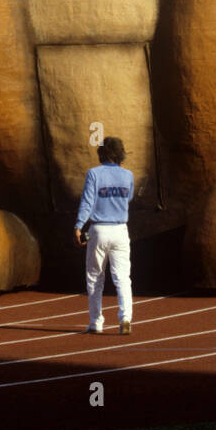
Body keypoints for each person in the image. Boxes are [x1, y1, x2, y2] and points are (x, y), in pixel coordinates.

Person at [74, 136, 134, 335]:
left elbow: (87, 201)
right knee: (123, 278)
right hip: (120, 229)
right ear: (120, 154)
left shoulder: (94, 174)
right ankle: (125, 318)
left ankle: (96, 322)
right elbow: (129, 197)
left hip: (98, 229)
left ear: (101, 153)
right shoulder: (128, 176)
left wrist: (79, 225)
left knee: (94, 277)